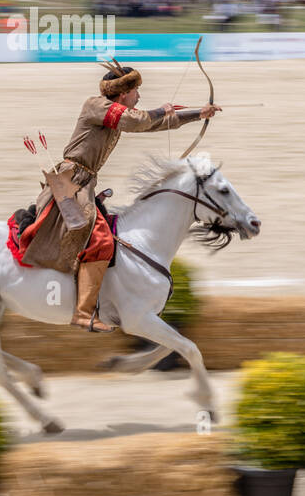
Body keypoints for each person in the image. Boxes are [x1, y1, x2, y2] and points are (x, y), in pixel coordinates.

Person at [15, 60, 221, 332]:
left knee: (104, 236)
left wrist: (198, 114)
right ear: (123, 93)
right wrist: (162, 109)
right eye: (136, 92)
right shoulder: (96, 106)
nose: (139, 97)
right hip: (71, 181)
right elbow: (139, 120)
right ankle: (82, 311)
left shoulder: (119, 113)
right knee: (100, 239)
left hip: (83, 182)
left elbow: (151, 123)